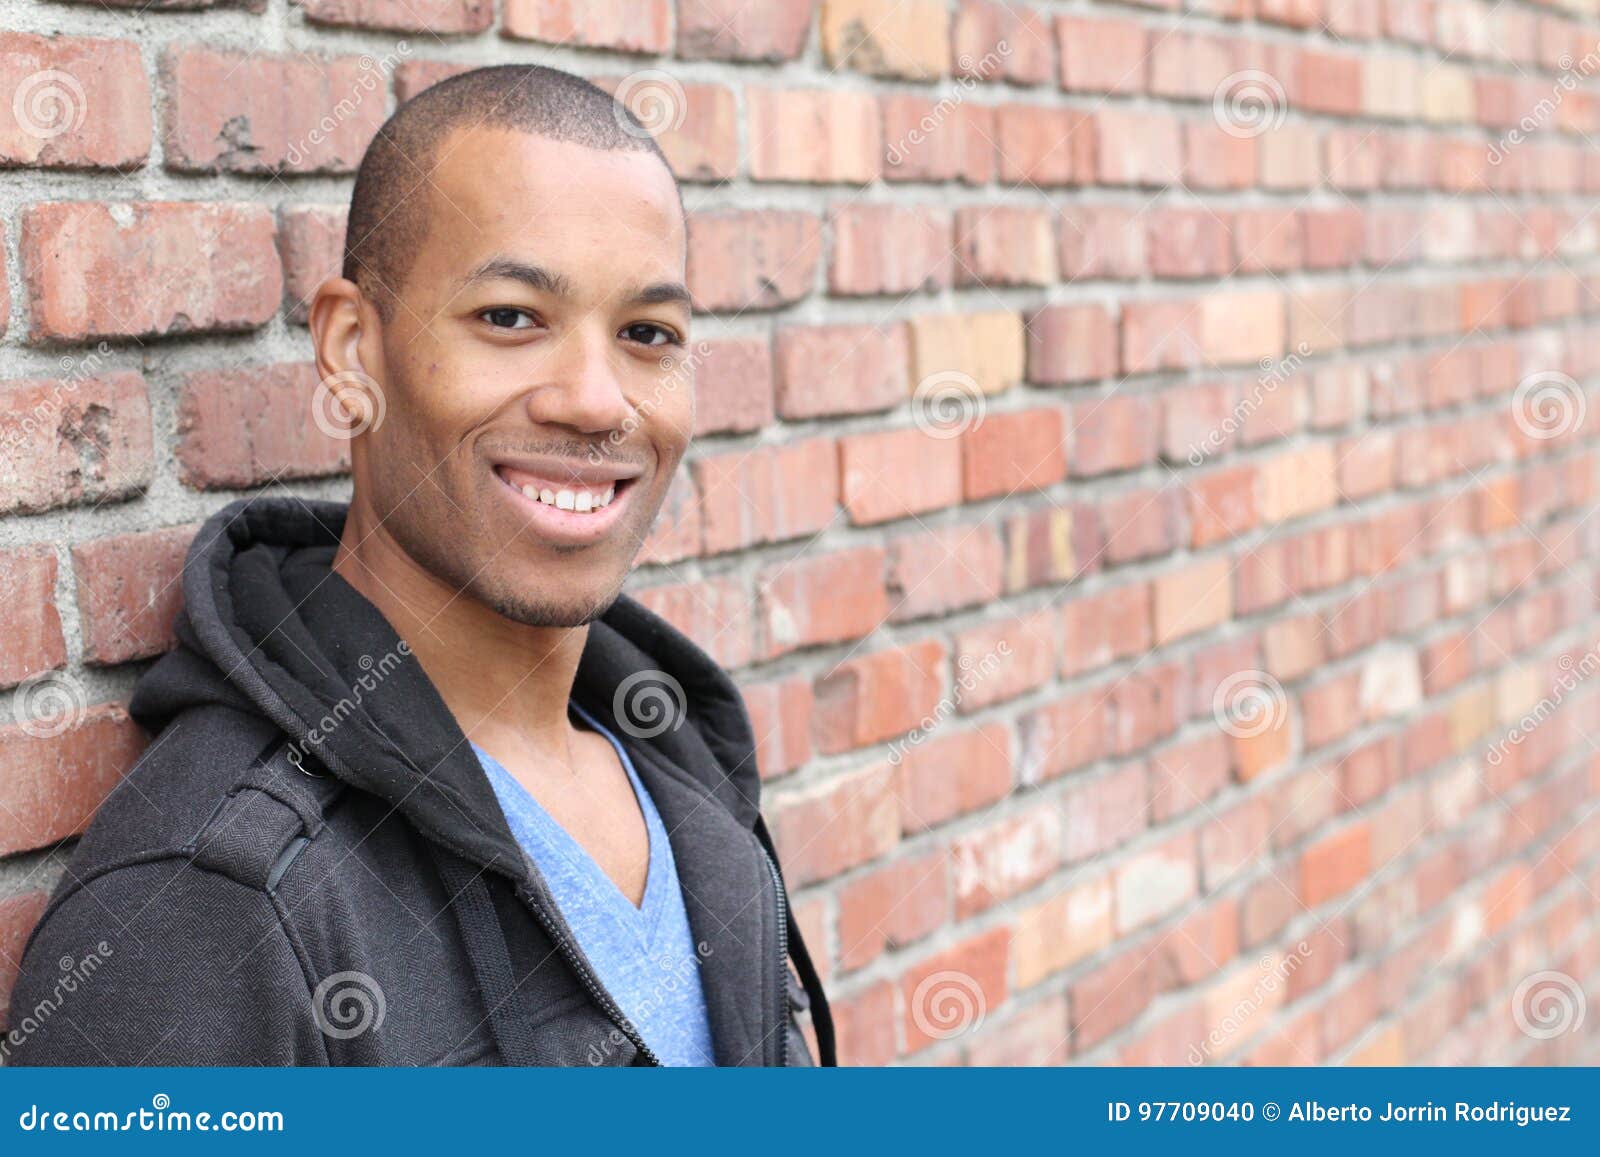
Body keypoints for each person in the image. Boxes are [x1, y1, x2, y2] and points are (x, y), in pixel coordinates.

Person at [5, 64, 831, 1067]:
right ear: (353, 354)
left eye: (646, 334)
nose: (595, 398)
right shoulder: (212, 905)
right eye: (511, 316)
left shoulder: (680, 766)